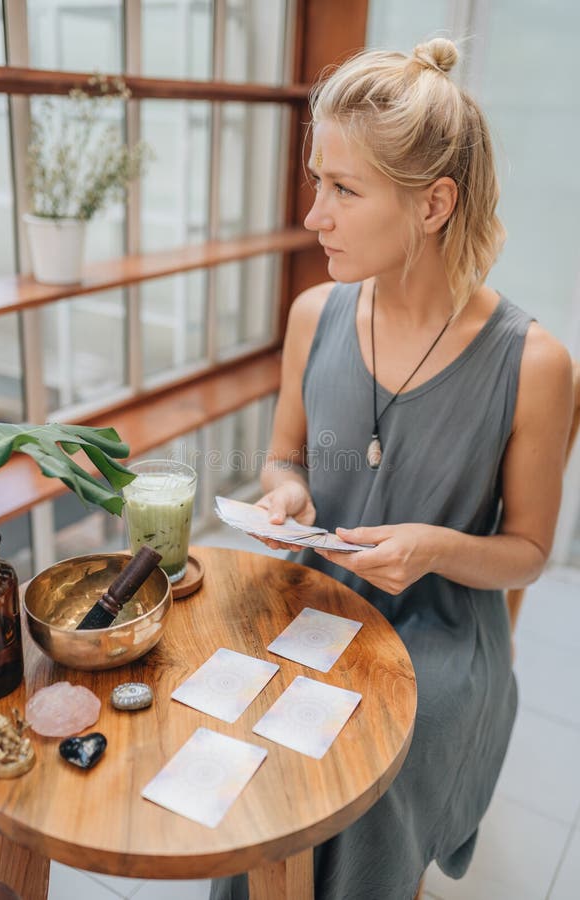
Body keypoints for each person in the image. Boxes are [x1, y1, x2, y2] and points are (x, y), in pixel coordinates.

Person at [210, 37, 573, 900]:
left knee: (370, 774)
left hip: (441, 630)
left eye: (343, 189)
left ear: (433, 203)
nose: (314, 216)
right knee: (231, 726)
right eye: (317, 182)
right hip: (314, 594)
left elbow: (527, 551)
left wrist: (434, 547)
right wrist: (286, 489)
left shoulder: (534, 365)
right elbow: (285, 458)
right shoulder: (313, 313)